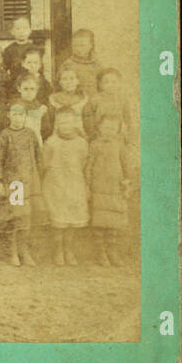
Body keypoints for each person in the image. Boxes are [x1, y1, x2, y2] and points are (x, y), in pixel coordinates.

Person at [0, 101, 43, 267]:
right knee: (16, 216)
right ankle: (13, 252)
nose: (17, 118)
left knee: (27, 217)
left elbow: (37, 156)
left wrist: (37, 175)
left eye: (20, 114)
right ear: (9, 116)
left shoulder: (30, 134)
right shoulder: (4, 135)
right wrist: (0, 180)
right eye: (14, 114)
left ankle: (24, 251)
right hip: (14, 181)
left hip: (29, 180)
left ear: (25, 116)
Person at [42, 106, 90, 265]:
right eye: (62, 123)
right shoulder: (51, 142)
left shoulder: (82, 143)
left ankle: (69, 250)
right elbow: (44, 163)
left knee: (72, 219)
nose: (65, 126)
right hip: (55, 184)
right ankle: (58, 251)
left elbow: (84, 163)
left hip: (75, 183)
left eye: (69, 123)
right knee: (58, 219)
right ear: (57, 124)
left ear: (75, 123)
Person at [86, 115, 135, 266]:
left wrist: (127, 182)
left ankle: (112, 251)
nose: (109, 131)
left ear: (117, 130)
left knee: (113, 223)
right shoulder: (94, 145)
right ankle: (101, 253)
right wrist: (88, 185)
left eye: (113, 128)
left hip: (115, 188)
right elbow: (88, 166)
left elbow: (127, 167)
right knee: (100, 222)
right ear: (100, 128)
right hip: (98, 188)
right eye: (106, 127)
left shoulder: (120, 146)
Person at [59, 29, 102, 103]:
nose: (79, 49)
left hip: (93, 102)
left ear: (91, 45)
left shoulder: (97, 65)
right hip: (74, 103)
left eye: (82, 45)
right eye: (75, 45)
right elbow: (59, 86)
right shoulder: (67, 65)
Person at [2, 16, 40, 82]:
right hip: (14, 82)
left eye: (25, 28)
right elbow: (4, 69)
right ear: (12, 31)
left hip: (31, 82)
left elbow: (40, 69)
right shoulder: (9, 50)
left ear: (30, 30)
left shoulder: (34, 48)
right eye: (18, 29)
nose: (21, 31)